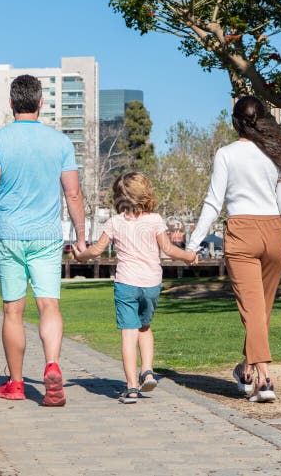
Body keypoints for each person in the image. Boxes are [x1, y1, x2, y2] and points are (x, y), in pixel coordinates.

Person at [0, 74, 86, 407]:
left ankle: (17, 384)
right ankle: (52, 364)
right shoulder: (60, 142)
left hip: (11, 235)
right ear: (40, 103)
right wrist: (80, 235)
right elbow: (73, 193)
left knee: (13, 312)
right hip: (47, 237)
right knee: (49, 304)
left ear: (10, 104)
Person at [186, 96, 281, 403]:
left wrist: (193, 241)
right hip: (274, 230)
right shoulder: (275, 154)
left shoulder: (226, 154)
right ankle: (246, 370)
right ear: (262, 120)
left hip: (242, 232)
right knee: (260, 312)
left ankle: (264, 379)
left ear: (235, 122)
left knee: (253, 311)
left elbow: (214, 201)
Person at [72, 172, 196, 403]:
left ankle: (131, 387)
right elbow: (169, 250)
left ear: (119, 197)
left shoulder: (114, 222)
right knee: (145, 328)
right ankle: (147, 371)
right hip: (151, 284)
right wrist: (189, 257)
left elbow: (97, 250)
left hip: (126, 283)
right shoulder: (155, 220)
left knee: (128, 335)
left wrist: (81, 257)